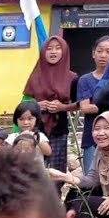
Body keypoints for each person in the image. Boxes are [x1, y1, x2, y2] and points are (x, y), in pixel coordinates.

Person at [24, 36, 78, 174]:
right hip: (35, 128)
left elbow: (79, 104)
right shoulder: (35, 75)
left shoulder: (72, 77)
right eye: (49, 48)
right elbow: (24, 104)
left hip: (58, 129)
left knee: (56, 171)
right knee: (33, 169)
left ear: (64, 52)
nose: (53, 52)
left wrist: (63, 107)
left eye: (58, 48)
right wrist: (36, 105)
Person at [77, 36, 109, 173]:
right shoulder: (85, 80)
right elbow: (85, 107)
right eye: (99, 51)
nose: (103, 55)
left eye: (108, 51)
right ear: (93, 53)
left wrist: (98, 106)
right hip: (92, 136)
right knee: (91, 177)